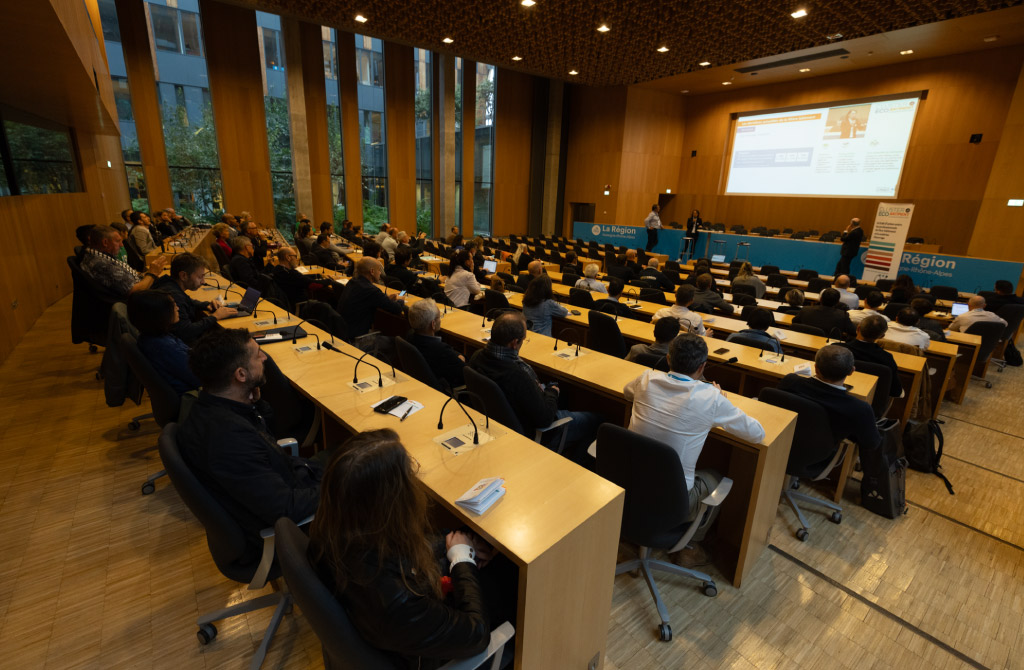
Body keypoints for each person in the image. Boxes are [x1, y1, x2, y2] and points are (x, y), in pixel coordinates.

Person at [309, 429, 506, 669]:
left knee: (470, 536)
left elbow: (398, 560)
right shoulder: (399, 604)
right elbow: (477, 634)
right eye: (409, 471)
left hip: (403, 631)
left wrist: (457, 543)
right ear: (390, 503)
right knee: (510, 573)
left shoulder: (329, 532)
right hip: (429, 653)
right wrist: (462, 559)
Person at [177, 328, 324, 560]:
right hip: (290, 529)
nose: (264, 357)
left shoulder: (215, 405)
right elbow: (286, 509)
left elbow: (265, 439)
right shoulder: (227, 438)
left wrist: (255, 402)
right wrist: (342, 484)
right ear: (241, 375)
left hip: (292, 478)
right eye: (257, 354)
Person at [623, 333, 765, 552]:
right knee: (717, 478)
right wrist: (718, 398)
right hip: (671, 501)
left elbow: (627, 393)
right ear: (702, 367)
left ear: (669, 359)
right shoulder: (710, 398)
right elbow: (757, 434)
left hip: (628, 481)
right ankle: (691, 547)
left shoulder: (646, 379)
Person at [468, 312, 600, 461]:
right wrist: (552, 392)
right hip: (538, 432)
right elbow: (544, 419)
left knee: (566, 396)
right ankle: (577, 466)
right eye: (524, 339)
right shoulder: (516, 375)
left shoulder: (477, 357)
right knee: (599, 421)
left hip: (499, 423)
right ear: (514, 343)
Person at [778, 345, 881, 453]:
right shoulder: (860, 408)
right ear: (852, 371)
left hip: (782, 442)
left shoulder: (790, 381)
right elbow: (871, 443)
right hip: (816, 456)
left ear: (816, 368)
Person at [126, 290, 201, 395]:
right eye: (174, 306)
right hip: (194, 397)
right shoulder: (166, 348)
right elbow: (200, 378)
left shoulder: (149, 337)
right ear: (160, 315)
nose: (178, 308)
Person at [152, 252, 237, 344]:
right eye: (200, 277)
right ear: (183, 276)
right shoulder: (174, 296)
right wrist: (215, 316)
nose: (203, 282)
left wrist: (207, 305)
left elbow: (188, 301)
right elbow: (186, 332)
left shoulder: (168, 284)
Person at [80, 225, 167, 296]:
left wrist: (146, 274)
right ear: (105, 242)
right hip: (138, 299)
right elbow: (134, 291)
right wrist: (152, 273)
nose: (121, 245)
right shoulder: (101, 264)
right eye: (118, 241)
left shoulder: (96, 255)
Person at [337, 257, 405, 340]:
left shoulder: (353, 281)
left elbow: (372, 300)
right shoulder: (371, 290)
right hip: (357, 338)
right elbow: (397, 309)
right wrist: (401, 299)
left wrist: (387, 298)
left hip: (343, 331)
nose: (380, 273)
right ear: (372, 271)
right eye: (379, 270)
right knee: (394, 342)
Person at [839, 315, 903, 399]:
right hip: (870, 401)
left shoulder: (837, 349)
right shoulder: (887, 359)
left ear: (858, 328)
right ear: (881, 336)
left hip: (837, 393)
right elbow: (896, 392)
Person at [407, 299, 465, 390]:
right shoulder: (441, 350)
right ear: (433, 324)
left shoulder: (410, 336)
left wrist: (456, 355)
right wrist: (461, 359)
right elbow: (465, 373)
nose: (440, 319)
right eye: (439, 317)